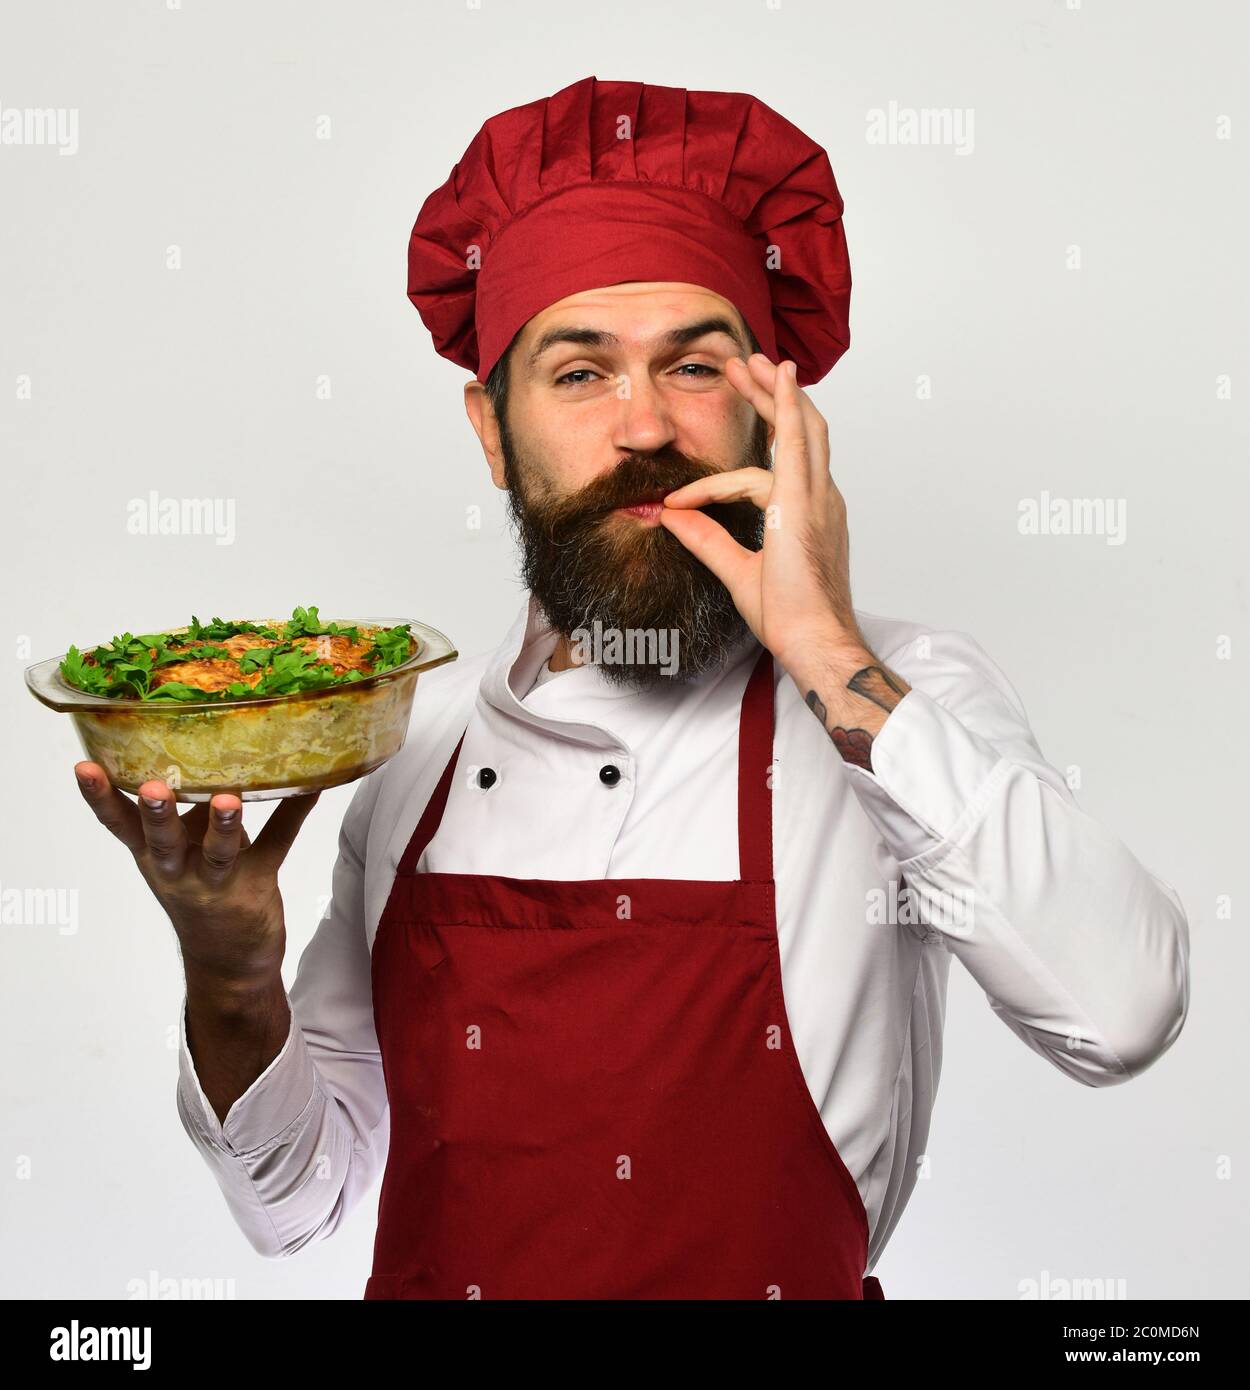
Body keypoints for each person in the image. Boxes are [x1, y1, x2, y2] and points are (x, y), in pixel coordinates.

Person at [75, 76, 1190, 1300]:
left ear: (777, 417)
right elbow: (300, 1204)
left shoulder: (893, 698)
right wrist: (229, 977)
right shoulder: (416, 750)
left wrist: (823, 648)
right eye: (578, 372)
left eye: (696, 367)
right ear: (491, 432)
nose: (644, 425)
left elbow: (1121, 1014)